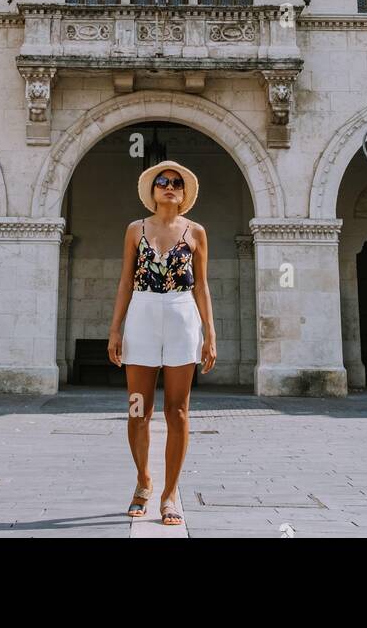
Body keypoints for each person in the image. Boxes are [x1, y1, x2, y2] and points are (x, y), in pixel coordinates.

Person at [108, 159, 216, 526]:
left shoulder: (196, 232)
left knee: (178, 410)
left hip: (182, 317)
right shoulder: (134, 230)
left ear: (184, 194)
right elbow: (125, 280)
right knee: (138, 408)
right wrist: (115, 329)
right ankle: (143, 481)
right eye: (162, 182)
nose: (169, 186)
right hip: (141, 315)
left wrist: (209, 334)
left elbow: (201, 286)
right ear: (152, 192)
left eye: (176, 183)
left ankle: (170, 493)